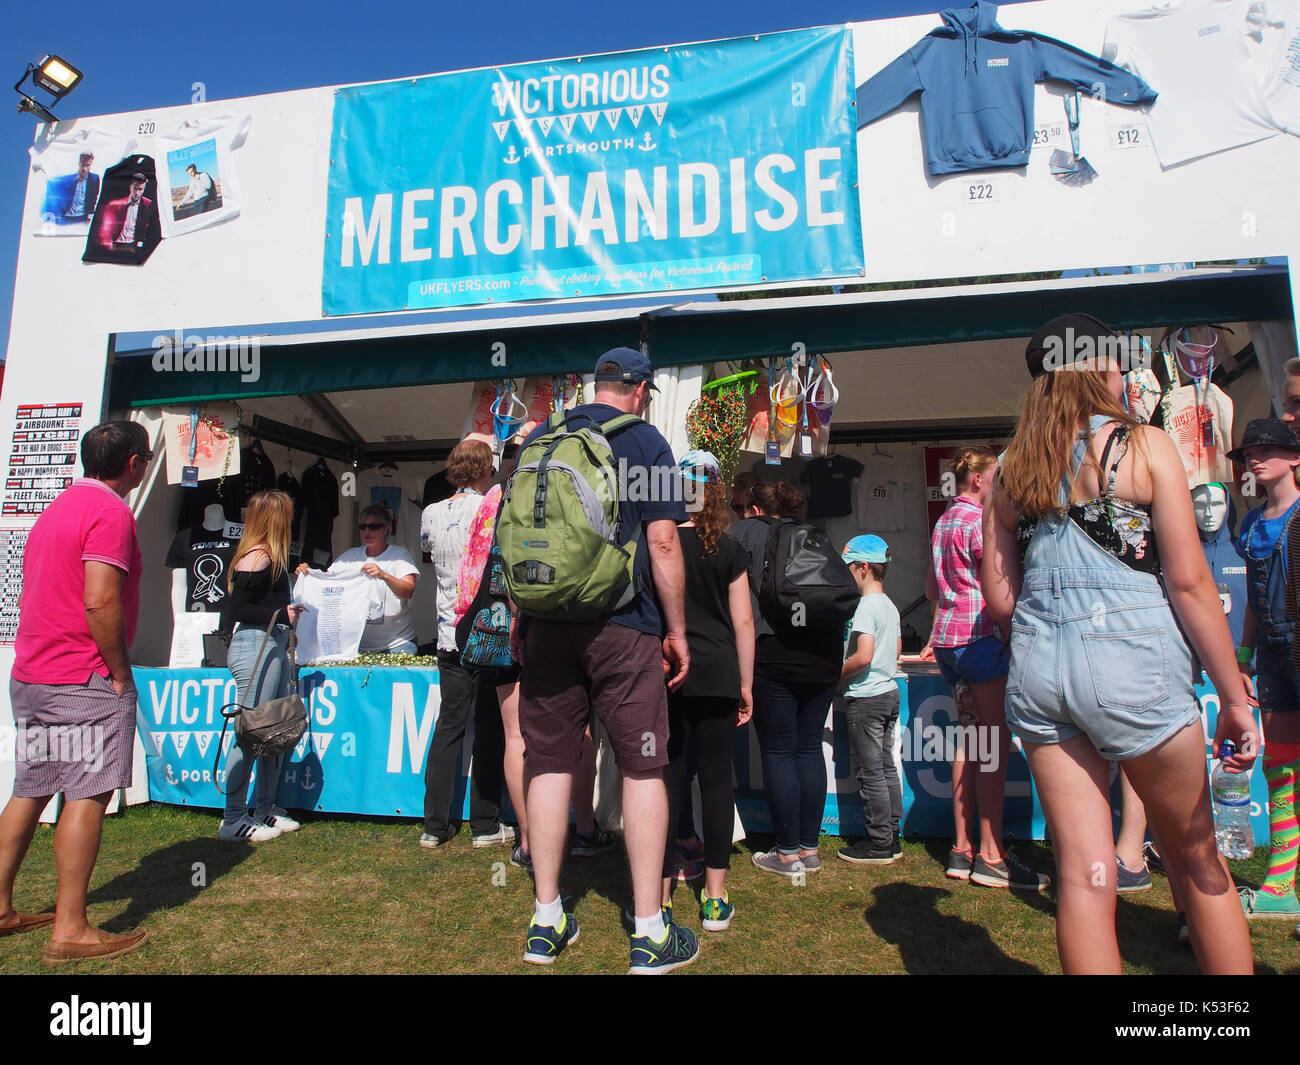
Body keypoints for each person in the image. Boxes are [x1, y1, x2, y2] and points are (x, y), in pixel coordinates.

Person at [983, 326, 1258, 974]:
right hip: (1135, 663)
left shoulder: (1010, 466)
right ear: (1096, 368)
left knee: (1084, 871)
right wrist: (1237, 698)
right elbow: (1190, 585)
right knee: (1195, 857)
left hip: (1042, 671)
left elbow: (1001, 601)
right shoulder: (1146, 446)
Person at [510, 346, 697, 973]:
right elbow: (664, 539)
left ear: (597, 384)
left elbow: (524, 537)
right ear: (641, 390)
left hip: (545, 623)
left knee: (550, 761)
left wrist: (521, 617)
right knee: (644, 765)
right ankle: (648, 931)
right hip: (625, 624)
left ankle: (546, 918)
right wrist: (677, 630)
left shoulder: (542, 434)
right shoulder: (647, 444)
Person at [0, 422, 150, 963]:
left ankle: (1, 907)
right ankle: (71, 927)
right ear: (133, 463)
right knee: (87, 793)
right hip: (82, 675)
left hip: (36, 672)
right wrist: (118, 673)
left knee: (32, 788)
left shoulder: (59, 506)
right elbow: (99, 600)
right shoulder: (110, 513)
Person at [927, 445, 1045, 890]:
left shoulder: (943, 520)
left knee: (972, 739)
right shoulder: (980, 520)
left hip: (949, 641)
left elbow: (930, 583)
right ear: (978, 480)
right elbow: (1001, 584)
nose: (1001, 484)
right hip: (980, 640)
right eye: (996, 476)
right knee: (992, 745)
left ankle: (962, 848)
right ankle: (991, 854)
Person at [659, 451, 754, 931]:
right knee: (718, 783)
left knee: (667, 782)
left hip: (671, 673)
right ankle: (714, 899)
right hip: (717, 673)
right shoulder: (731, 548)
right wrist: (745, 684)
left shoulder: (661, 543)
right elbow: (743, 622)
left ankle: (662, 895)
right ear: (717, 490)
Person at [731, 481, 838, 877]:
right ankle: (809, 848)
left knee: (778, 749)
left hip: (773, 651)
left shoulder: (744, 532)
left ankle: (788, 852)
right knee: (808, 747)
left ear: (755, 508)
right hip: (823, 652)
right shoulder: (813, 535)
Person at [418, 439, 508, 849]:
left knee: (449, 726)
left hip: (446, 630)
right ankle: (485, 824)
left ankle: (434, 826)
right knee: (490, 727)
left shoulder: (431, 513)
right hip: (483, 629)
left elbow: (430, 558)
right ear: (485, 469)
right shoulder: (490, 508)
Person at [1232, 418, 1300, 919]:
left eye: (1268, 450)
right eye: (1250, 452)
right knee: (1279, 767)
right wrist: (1243, 657)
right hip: (1274, 653)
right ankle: (1280, 886)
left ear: (1294, 458)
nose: (1256, 459)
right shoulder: (1252, 524)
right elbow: (1256, 601)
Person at [219, 490, 303, 842]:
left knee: (274, 728)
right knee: (252, 730)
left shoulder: (273, 558)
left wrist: (285, 624)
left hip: (273, 642)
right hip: (256, 644)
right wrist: (280, 615)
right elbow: (235, 610)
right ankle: (233, 817)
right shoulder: (257, 557)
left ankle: (266, 807)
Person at [838, 535, 904, 865]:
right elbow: (893, 651)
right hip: (889, 692)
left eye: (849, 567)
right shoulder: (890, 606)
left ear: (863, 568)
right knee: (886, 766)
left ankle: (879, 841)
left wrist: (839, 676)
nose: (846, 574)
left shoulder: (865, 607)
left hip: (866, 697)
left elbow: (862, 657)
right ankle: (891, 833)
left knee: (870, 772)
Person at [298, 502, 419, 655]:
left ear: (387, 528)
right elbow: (326, 583)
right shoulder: (350, 556)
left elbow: (408, 591)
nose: (367, 531)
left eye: (374, 526)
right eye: (362, 527)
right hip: (357, 646)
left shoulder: (399, 555)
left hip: (397, 644)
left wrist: (384, 575)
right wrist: (308, 573)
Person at [96, 172, 158, 250]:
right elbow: (106, 226)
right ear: (130, 187)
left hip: (134, 245)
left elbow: (149, 226)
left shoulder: (148, 204)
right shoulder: (117, 205)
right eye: (135, 188)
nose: (137, 193)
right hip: (116, 244)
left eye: (140, 189)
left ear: (144, 188)